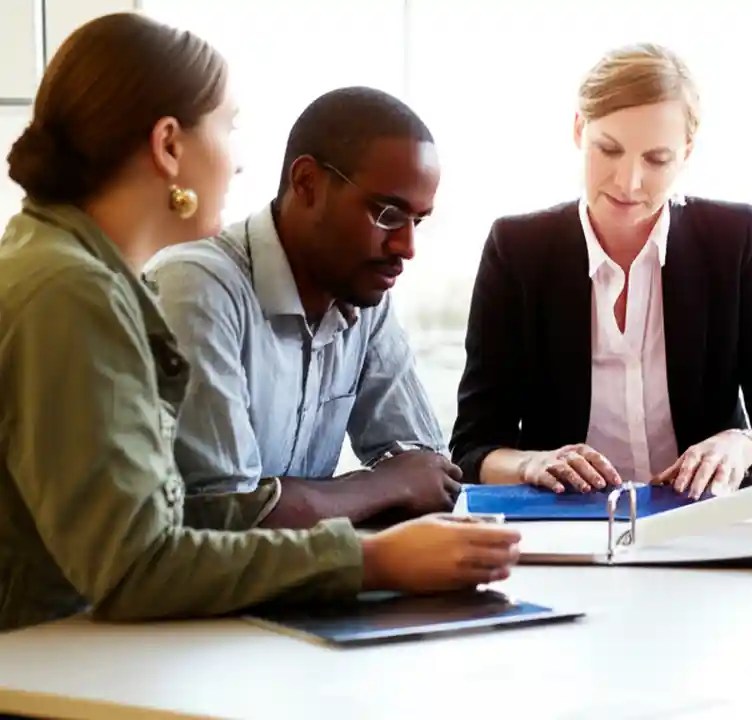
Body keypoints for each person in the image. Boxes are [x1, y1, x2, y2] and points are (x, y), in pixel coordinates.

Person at [0, 12, 519, 633]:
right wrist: (371, 558)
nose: (240, 164)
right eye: (229, 127)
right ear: (169, 145)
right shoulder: (73, 290)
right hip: (46, 668)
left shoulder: (74, 272)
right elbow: (138, 565)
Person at [449, 43, 752, 499]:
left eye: (656, 159)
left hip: (700, 522)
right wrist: (532, 462)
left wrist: (744, 446)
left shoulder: (733, 239)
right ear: (579, 129)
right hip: (565, 525)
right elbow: (472, 447)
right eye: (608, 149)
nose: (628, 182)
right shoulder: (517, 248)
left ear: (686, 151)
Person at [144, 87, 459, 530]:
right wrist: (385, 485)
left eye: (417, 222)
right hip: (193, 597)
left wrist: (380, 486)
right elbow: (228, 518)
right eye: (387, 214)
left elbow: (428, 473)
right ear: (307, 183)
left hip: (301, 587)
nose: (406, 247)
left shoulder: (363, 295)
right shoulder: (196, 286)